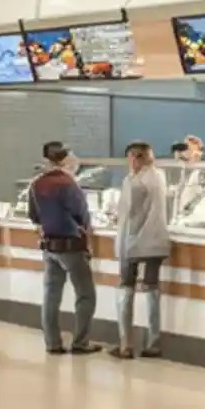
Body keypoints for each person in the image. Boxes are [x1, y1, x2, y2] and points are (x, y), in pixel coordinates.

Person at [29, 142, 101, 355]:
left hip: (49, 246)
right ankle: (80, 342)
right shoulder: (68, 184)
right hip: (72, 246)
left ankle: (53, 343)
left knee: (51, 294)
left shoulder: (36, 184)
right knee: (86, 294)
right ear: (66, 159)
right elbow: (82, 214)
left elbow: (34, 216)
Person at [110, 142, 170, 360]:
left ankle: (125, 345)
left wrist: (120, 246)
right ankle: (153, 343)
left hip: (133, 243)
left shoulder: (132, 182)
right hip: (157, 242)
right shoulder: (160, 176)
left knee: (126, 287)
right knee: (152, 289)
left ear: (135, 158)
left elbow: (126, 216)